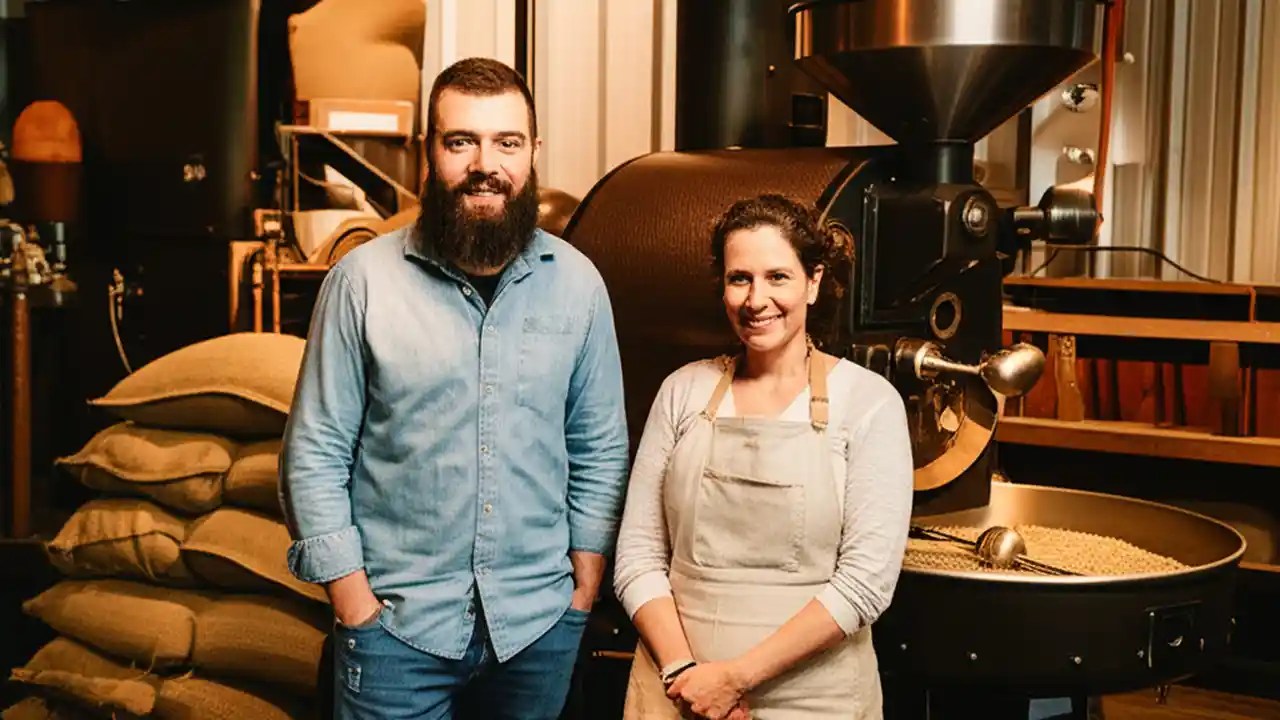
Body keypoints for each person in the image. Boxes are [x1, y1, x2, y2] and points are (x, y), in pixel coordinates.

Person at [279, 56, 630, 719]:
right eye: (460, 141)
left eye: (507, 142)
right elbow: (314, 453)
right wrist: (355, 602)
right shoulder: (360, 284)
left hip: (538, 629)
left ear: (533, 154)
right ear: (427, 153)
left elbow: (600, 447)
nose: (485, 163)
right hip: (396, 634)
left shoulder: (579, 285)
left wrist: (582, 588)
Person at [612, 194, 914, 720]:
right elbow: (637, 558)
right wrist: (686, 675)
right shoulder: (683, 392)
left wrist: (735, 678)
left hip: (816, 701)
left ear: (813, 282)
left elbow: (866, 584)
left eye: (778, 277)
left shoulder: (866, 403)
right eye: (739, 279)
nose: (756, 300)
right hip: (676, 692)